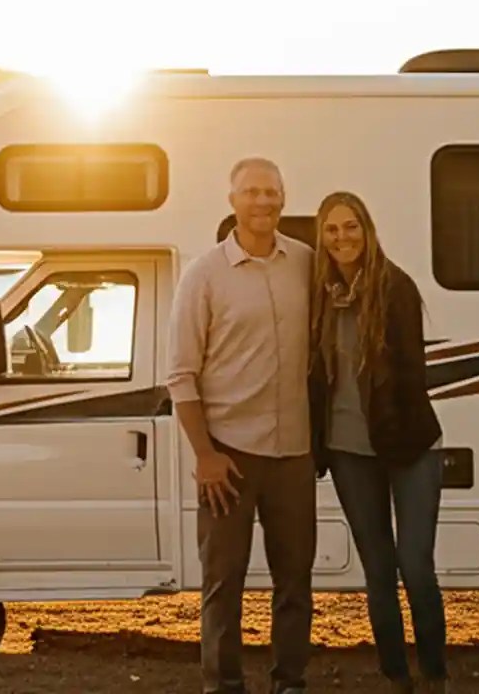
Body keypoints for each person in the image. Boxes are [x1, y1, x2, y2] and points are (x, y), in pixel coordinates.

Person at [166, 157, 317, 694]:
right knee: (222, 584)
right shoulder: (203, 275)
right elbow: (181, 375)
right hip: (228, 457)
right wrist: (205, 456)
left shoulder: (305, 263)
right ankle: (223, 686)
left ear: (284, 198)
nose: (262, 201)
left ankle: (290, 682)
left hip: (295, 454)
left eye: (271, 192)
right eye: (251, 192)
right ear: (232, 201)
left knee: (295, 582)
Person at [308, 191, 448, 693]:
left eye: (351, 227)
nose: (342, 238)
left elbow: (412, 375)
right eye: (331, 230)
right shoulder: (318, 295)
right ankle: (397, 678)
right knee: (378, 569)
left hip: (408, 445)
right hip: (349, 452)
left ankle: (434, 676)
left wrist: (392, 436)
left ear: (367, 231)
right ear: (321, 238)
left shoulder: (395, 287)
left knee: (415, 564)